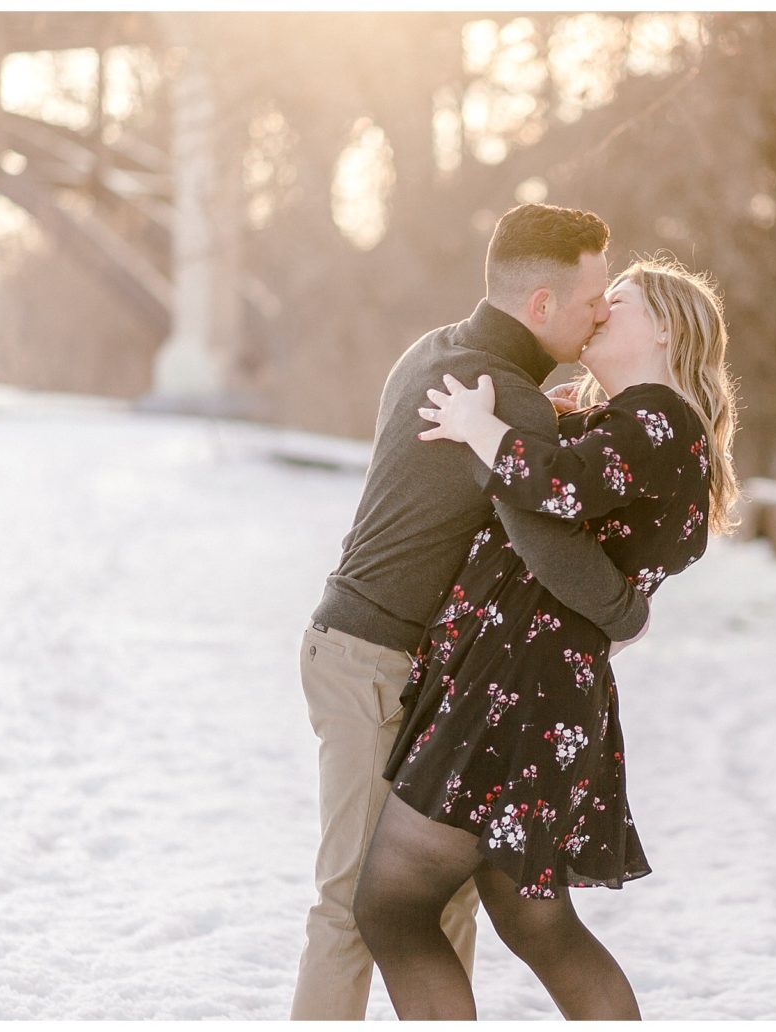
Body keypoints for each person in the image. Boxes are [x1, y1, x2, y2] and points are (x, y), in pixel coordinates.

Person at [291, 203, 655, 1021]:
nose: (602, 312)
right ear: (541, 305)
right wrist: (627, 615)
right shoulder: (504, 400)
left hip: (405, 666)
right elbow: (551, 545)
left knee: (428, 901)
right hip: (369, 663)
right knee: (352, 908)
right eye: (593, 297)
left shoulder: (434, 351)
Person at [353, 257, 741, 1020]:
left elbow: (557, 486)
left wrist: (479, 425)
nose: (597, 311)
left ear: (666, 327)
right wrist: (558, 420)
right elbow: (583, 483)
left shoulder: (659, 421)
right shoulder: (643, 425)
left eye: (617, 300)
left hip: (516, 689)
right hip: (531, 686)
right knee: (535, 923)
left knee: (392, 907)